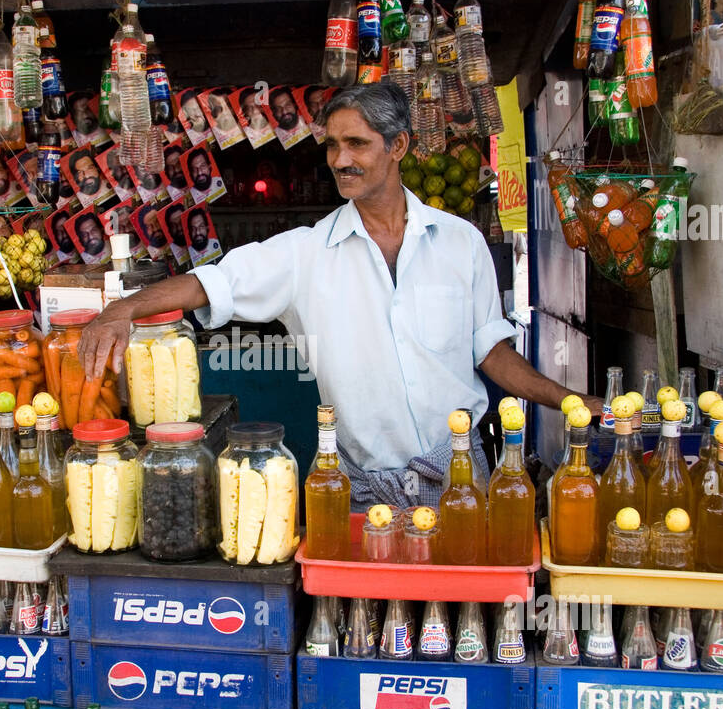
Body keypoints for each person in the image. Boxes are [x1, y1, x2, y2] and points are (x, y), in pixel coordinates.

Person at [80, 83, 600, 508]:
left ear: (398, 146)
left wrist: (571, 402)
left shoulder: (460, 242)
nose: (340, 159)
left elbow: (493, 354)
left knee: (457, 631)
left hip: (462, 487)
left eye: (357, 144)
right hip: (363, 496)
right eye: (332, 145)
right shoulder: (304, 254)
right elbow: (208, 282)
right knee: (367, 634)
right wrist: (123, 308)